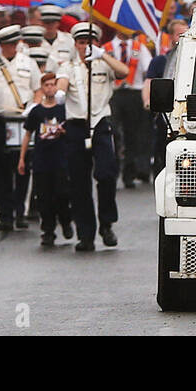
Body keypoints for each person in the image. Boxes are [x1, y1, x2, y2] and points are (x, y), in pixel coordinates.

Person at [55, 22, 129, 251]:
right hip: (76, 126)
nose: (86, 46)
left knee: (106, 174)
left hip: (100, 124)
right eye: (82, 42)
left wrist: (103, 55)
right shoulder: (68, 66)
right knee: (79, 181)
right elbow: (62, 82)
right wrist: (59, 92)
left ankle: (106, 224)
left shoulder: (102, 62)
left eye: (90, 41)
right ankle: (85, 233)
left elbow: (123, 72)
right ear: (76, 44)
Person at [0, 25, 39, 231]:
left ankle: (20, 210)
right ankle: (5, 213)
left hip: (21, 120)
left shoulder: (28, 63)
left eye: (15, 43)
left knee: (22, 166)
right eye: (8, 44)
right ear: (2, 45)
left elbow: (37, 89)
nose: (13, 47)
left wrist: (32, 108)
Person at [19, 71, 72, 246]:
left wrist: (65, 133)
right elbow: (27, 134)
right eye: (46, 85)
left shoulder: (63, 110)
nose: (50, 88)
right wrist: (22, 158)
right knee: (43, 197)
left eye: (52, 85)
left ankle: (65, 220)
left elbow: (72, 132)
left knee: (62, 193)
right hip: (42, 161)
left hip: (60, 159)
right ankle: (48, 230)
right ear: (42, 88)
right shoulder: (36, 112)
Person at [108, 32, 153, 188]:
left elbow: (148, 68)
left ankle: (129, 173)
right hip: (113, 93)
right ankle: (112, 172)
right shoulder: (107, 48)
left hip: (134, 93)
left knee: (132, 134)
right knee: (112, 133)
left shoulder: (139, 47)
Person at [143, 18, 187, 176]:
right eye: (179, 34)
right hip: (165, 112)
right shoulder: (160, 61)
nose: (183, 37)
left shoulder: (192, 60)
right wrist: (148, 101)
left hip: (185, 113)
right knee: (161, 148)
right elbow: (149, 82)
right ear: (171, 37)